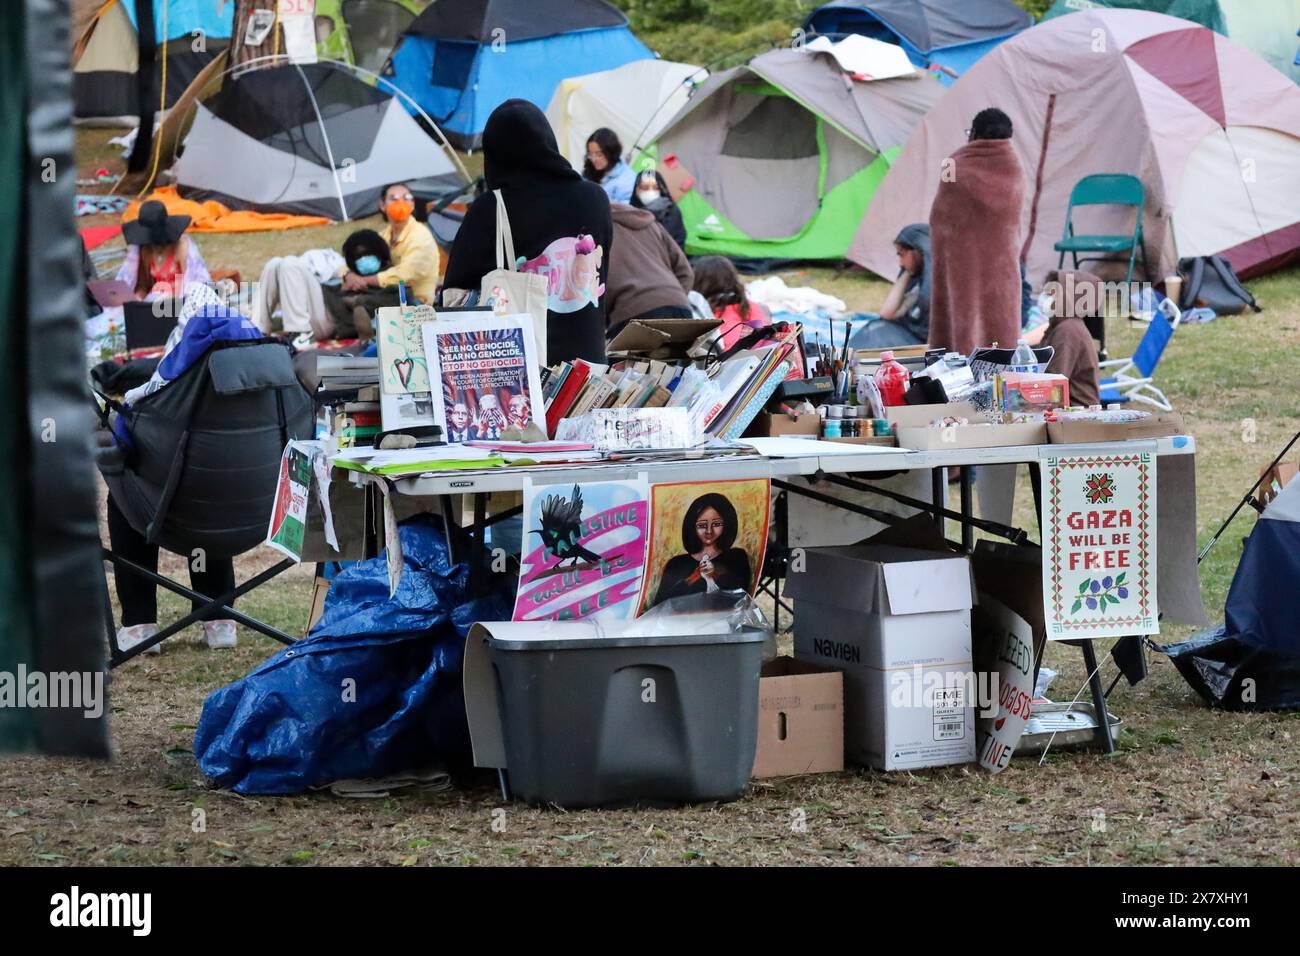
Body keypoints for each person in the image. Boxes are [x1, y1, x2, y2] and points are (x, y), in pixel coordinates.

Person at [110, 285, 258, 655]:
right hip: (248, 504)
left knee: (125, 487)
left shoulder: (177, 377)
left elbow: (136, 422)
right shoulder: (266, 363)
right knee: (212, 480)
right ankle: (218, 618)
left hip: (176, 506)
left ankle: (140, 625)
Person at [443, 99, 613, 365]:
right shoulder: (595, 198)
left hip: (523, 368)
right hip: (588, 364)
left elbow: (456, 290)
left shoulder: (491, 208)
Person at [928, 107, 1025, 355]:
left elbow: (940, 215)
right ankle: (1001, 365)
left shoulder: (953, 163)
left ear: (975, 134)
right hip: (1002, 263)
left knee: (962, 311)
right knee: (1000, 316)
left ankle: (957, 362)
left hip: (960, 261)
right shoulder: (1015, 167)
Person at [339, 182, 440, 307]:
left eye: (406, 198)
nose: (400, 203)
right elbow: (348, 262)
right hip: (384, 293)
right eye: (394, 199)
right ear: (382, 205)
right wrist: (348, 275)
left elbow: (405, 275)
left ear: (413, 204)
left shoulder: (421, 237)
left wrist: (363, 280)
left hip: (416, 303)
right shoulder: (384, 236)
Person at [605, 201, 693, 337]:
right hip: (680, 307)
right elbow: (685, 272)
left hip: (632, 312)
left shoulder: (593, 229)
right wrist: (670, 298)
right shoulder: (648, 221)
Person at [652, 493, 753, 607]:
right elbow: (660, 605)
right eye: (701, 525)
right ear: (692, 526)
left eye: (716, 524)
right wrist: (693, 578)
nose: (709, 531)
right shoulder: (676, 563)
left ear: (727, 524)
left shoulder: (736, 557)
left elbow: (741, 597)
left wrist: (717, 574)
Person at [851, 224, 931, 349]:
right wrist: (906, 273)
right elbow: (886, 313)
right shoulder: (916, 275)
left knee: (875, 337)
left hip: (921, 345)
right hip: (907, 333)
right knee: (873, 329)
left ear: (917, 251)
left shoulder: (934, 286)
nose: (900, 263)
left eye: (902, 255)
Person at [117, 199, 211, 301]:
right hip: (156, 301)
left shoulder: (181, 246)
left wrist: (172, 298)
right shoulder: (145, 250)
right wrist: (139, 298)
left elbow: (191, 282)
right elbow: (143, 285)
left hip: (180, 300)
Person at [1036, 270, 1102, 407]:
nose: (1045, 296)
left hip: (1076, 414)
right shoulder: (1062, 325)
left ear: (1070, 299)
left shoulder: (1067, 331)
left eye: (1053, 292)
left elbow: (1054, 385)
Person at [692, 255, 773, 351]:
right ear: (733, 279)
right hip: (756, 357)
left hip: (721, 357)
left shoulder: (702, 313)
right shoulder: (751, 307)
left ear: (698, 282)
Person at [630, 169, 686, 249]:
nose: (650, 192)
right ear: (636, 190)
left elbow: (676, 244)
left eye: (655, 187)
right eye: (645, 187)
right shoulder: (630, 213)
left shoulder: (671, 212)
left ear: (661, 190)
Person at [583, 128, 636, 204]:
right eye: (590, 154)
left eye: (599, 155)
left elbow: (626, 209)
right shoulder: (591, 170)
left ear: (611, 152)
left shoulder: (627, 179)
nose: (594, 159)